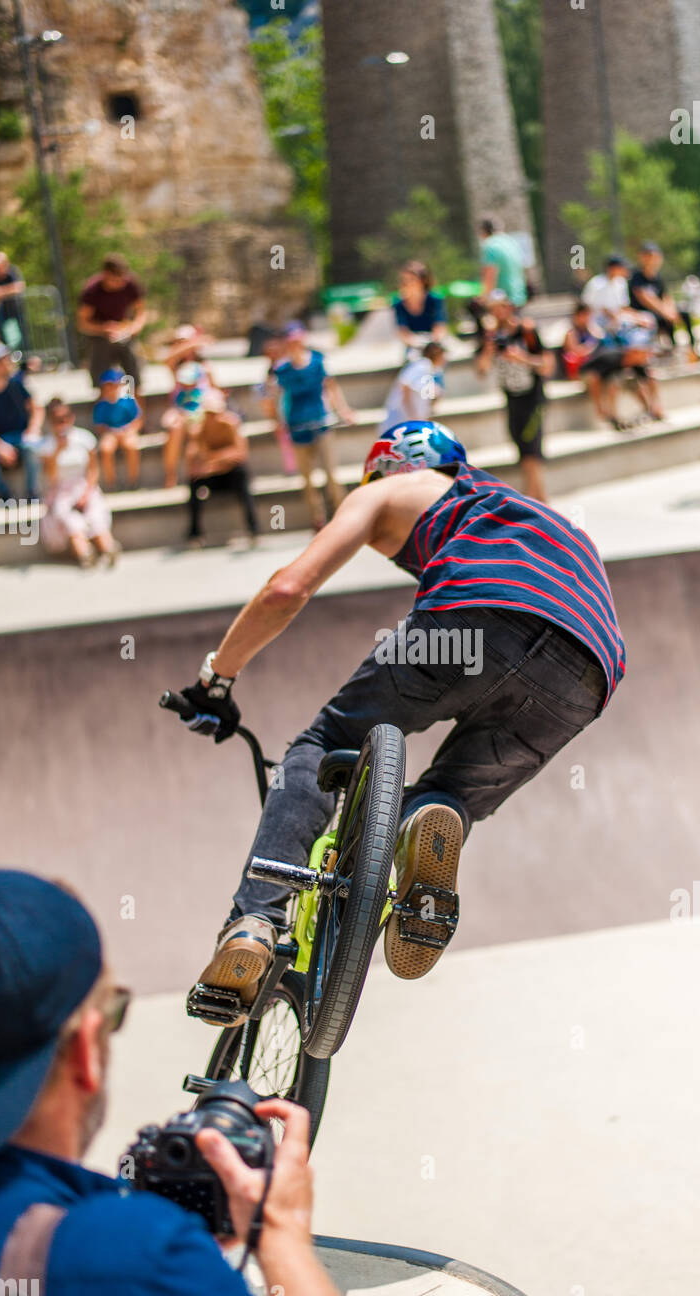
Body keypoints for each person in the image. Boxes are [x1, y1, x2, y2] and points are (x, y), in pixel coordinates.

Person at [175, 420, 624, 1016]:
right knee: (450, 798)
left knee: (325, 742)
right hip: (587, 668)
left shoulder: (387, 489)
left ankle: (253, 923)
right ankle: (425, 838)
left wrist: (217, 678)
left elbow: (287, 589)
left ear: (392, 466)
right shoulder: (527, 511)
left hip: (472, 616)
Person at [0, 871, 339, 1296]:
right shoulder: (142, 1257)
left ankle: (254, 920)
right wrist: (280, 1233)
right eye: (113, 1013)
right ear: (86, 1047)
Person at [264, 322, 355, 531]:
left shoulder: (317, 361)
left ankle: (340, 515)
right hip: (296, 427)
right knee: (307, 479)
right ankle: (318, 519)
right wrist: (276, 421)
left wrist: (343, 410)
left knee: (331, 474)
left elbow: (331, 388)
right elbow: (273, 397)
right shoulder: (281, 370)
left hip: (320, 422)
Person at [475, 290, 554, 502]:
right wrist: (488, 349)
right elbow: (481, 371)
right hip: (511, 398)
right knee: (521, 449)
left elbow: (547, 366)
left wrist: (522, 359)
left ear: (510, 307)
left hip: (533, 397)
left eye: (502, 307)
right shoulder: (491, 336)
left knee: (531, 451)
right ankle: (536, 500)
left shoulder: (526, 330)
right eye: (493, 309)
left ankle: (539, 500)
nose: (499, 313)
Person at [39, 398, 120, 566]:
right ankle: (86, 554)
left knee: (96, 517)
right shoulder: (46, 446)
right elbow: (51, 477)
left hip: (84, 487)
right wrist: (57, 452)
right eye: (57, 419)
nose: (63, 422)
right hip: (61, 491)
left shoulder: (85, 438)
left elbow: (93, 470)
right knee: (71, 521)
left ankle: (107, 548)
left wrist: (86, 492)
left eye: (66, 417)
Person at [581, 257, 664, 422]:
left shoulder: (619, 284)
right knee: (615, 378)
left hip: (619, 330)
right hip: (603, 331)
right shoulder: (596, 284)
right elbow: (593, 309)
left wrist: (637, 318)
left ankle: (653, 407)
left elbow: (622, 308)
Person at [185, 389, 258, 547]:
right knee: (193, 482)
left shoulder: (231, 424)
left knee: (242, 475)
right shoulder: (199, 430)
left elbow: (240, 454)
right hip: (215, 476)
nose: (212, 417)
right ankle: (194, 533)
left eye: (215, 413)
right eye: (209, 413)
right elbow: (195, 458)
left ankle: (254, 529)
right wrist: (220, 460)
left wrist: (212, 462)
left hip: (230, 474)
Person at [77, 254, 147, 401]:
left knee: (133, 373)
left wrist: (133, 327)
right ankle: (104, 413)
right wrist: (104, 328)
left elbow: (141, 312)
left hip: (124, 333)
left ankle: (137, 414)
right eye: (115, 280)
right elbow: (83, 323)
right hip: (99, 336)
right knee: (102, 377)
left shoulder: (130, 284)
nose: (119, 283)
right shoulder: (92, 290)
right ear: (105, 275)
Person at [160, 325, 216, 487]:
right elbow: (167, 359)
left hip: (201, 409)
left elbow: (214, 388)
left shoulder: (204, 366)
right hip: (181, 410)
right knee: (175, 430)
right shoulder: (175, 366)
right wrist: (194, 343)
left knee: (196, 434)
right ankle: (171, 474)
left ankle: (198, 476)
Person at [629, 242, 699, 362]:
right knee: (661, 318)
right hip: (643, 313)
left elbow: (665, 296)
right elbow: (645, 299)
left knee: (684, 314)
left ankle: (692, 348)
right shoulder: (636, 276)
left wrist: (671, 310)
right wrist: (665, 312)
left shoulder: (657, 276)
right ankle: (669, 348)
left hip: (661, 310)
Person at [0, 343, 42, 502]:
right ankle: (4, 495)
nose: (9, 362)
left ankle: (32, 493)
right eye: (4, 359)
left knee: (32, 447)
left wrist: (33, 429)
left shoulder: (16, 384)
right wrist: (0, 446)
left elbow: (36, 409)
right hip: (1, 440)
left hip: (22, 436)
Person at [91, 368, 142, 489]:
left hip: (127, 432)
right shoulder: (101, 405)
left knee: (132, 446)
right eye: (108, 386)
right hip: (110, 433)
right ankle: (111, 482)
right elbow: (99, 426)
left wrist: (128, 431)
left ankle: (133, 480)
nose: (111, 388)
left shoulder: (128, 400)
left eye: (113, 385)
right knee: (106, 449)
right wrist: (112, 432)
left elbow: (138, 420)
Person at [381, 342, 446, 433]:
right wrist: (414, 419)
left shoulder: (428, 369)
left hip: (408, 426)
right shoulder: (423, 365)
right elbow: (405, 387)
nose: (445, 360)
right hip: (400, 425)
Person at [392, 262, 447, 353]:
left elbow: (440, 327)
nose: (407, 284)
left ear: (423, 280)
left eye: (411, 280)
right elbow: (403, 332)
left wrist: (431, 343)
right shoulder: (399, 303)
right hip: (413, 347)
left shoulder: (435, 299)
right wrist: (415, 343)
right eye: (404, 280)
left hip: (434, 345)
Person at [477, 216, 528, 307]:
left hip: (503, 299)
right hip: (519, 294)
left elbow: (490, 274)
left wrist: (483, 298)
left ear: (483, 231)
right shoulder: (510, 241)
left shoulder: (490, 245)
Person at [0, 251, 26, 354]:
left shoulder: (13, 271)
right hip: (1, 311)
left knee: (22, 337)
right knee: (3, 336)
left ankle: (24, 361)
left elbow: (19, 286)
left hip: (16, 310)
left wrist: (1, 291)